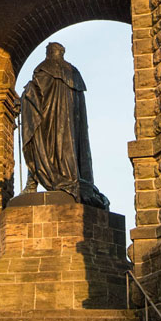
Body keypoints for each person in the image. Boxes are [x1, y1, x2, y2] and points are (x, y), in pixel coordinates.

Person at [19, 41, 108, 207]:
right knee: (63, 149)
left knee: (39, 146)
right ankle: (62, 176)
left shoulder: (44, 68)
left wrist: (25, 96)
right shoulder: (74, 73)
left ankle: (36, 181)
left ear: (50, 52)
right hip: (71, 128)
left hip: (49, 122)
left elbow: (36, 92)